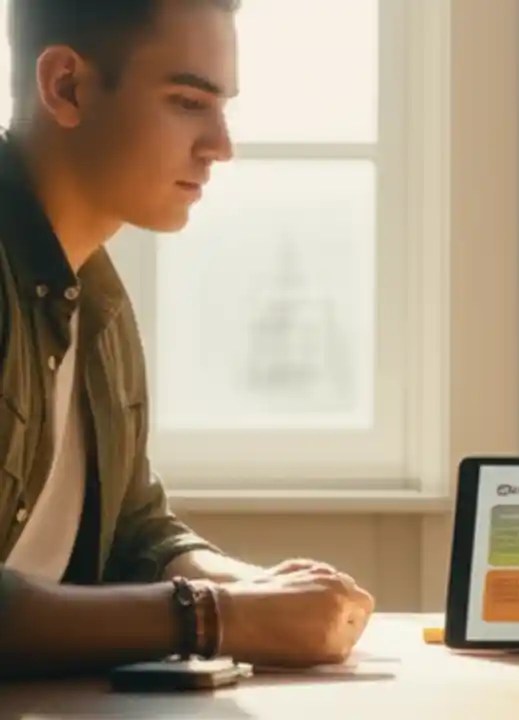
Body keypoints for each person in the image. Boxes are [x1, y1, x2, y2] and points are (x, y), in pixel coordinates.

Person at [0, 0, 374, 677]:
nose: (221, 145)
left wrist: (256, 591)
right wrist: (215, 616)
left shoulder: (99, 301)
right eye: (186, 101)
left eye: (220, 106)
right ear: (66, 87)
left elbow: (135, 531)